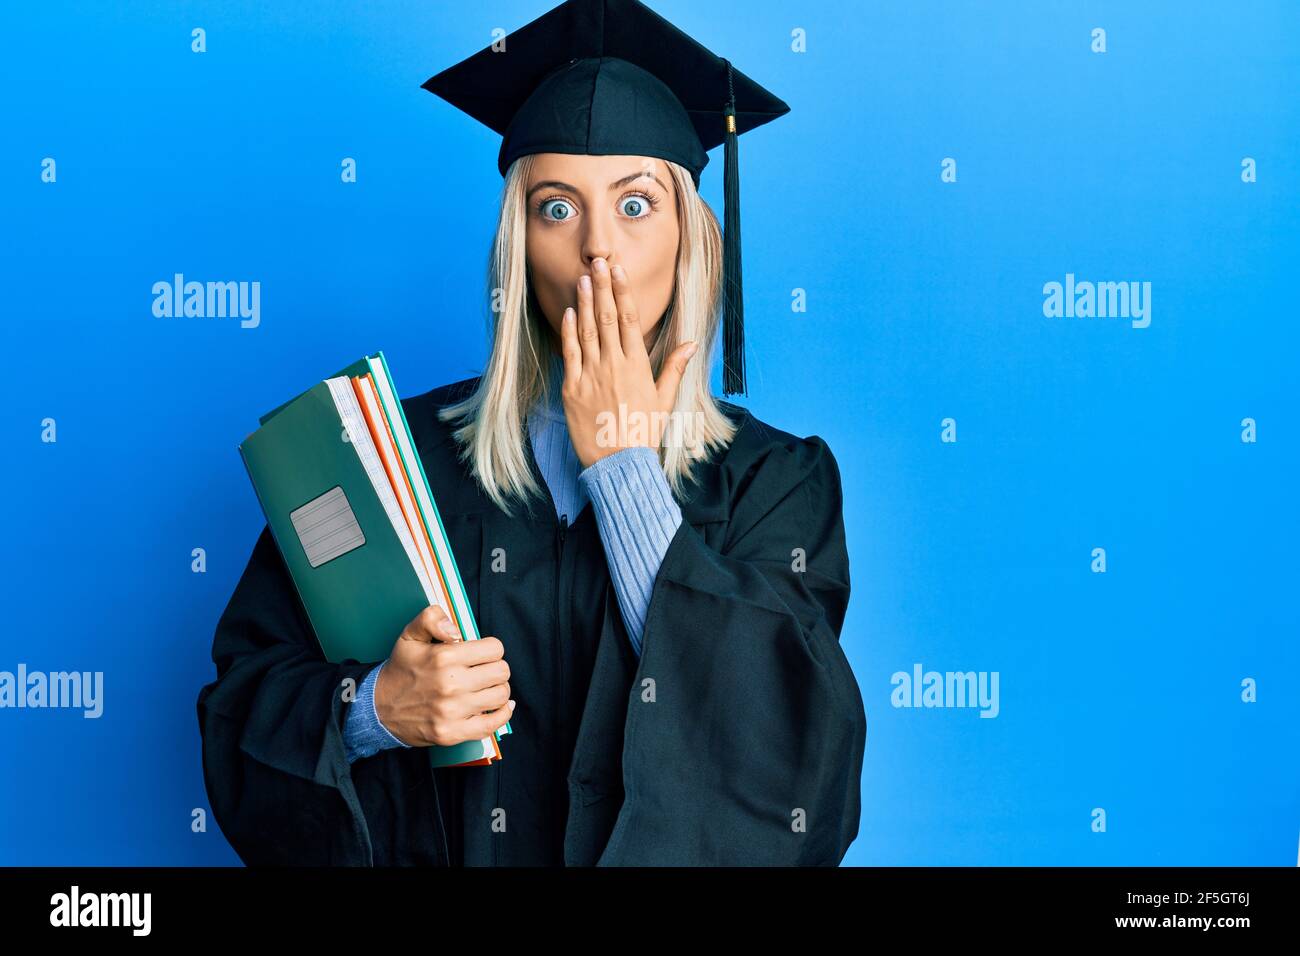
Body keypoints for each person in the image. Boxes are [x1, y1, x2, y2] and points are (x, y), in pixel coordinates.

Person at [196, 0, 867, 866]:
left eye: (635, 203)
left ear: (691, 237)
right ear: (518, 245)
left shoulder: (777, 481)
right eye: (557, 209)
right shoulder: (390, 458)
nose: (598, 250)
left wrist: (622, 466)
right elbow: (242, 708)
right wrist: (373, 711)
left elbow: (797, 767)